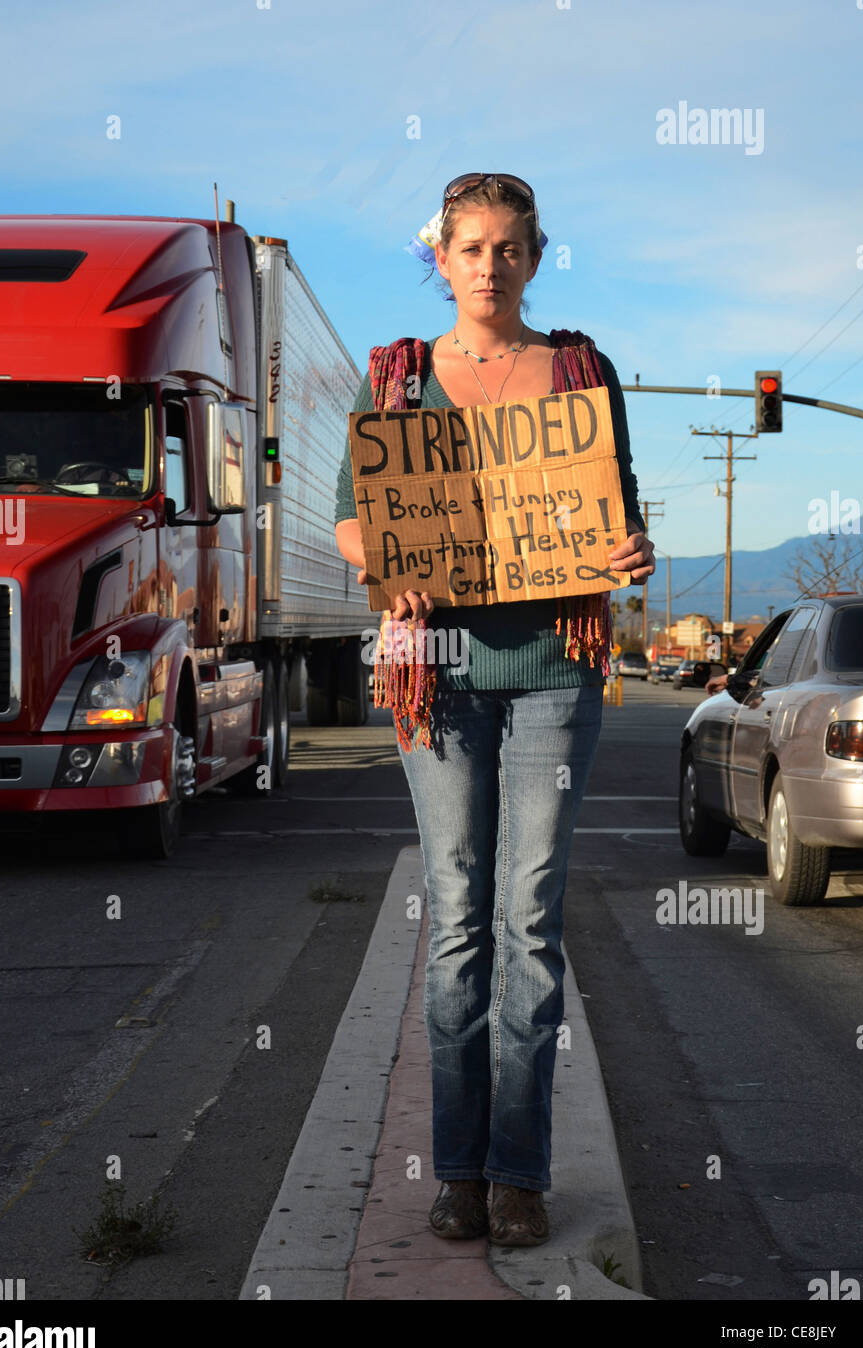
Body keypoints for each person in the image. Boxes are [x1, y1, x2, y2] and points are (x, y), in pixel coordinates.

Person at [334, 173, 655, 1247]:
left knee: (528, 920)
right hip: (438, 672)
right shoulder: (398, 377)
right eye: (469, 246)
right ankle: (458, 1169)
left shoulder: (577, 370)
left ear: (535, 255)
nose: (488, 264)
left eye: (509, 247)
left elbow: (623, 508)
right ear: (442, 255)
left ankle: (519, 1170)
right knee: (459, 921)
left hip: (555, 674)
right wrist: (390, 571)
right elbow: (350, 522)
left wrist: (631, 552)